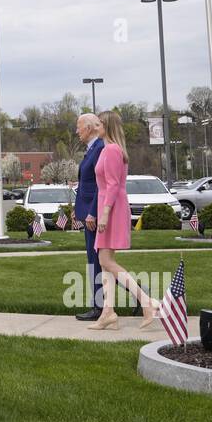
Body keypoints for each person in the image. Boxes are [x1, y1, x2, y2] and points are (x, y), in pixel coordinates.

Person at [90, 111, 159, 331]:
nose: (96, 127)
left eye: (99, 124)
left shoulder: (111, 150)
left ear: (108, 126)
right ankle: (107, 312)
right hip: (111, 205)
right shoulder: (111, 149)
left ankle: (146, 302)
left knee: (106, 261)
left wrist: (105, 214)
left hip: (111, 207)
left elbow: (112, 184)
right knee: (105, 261)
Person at [73, 113, 105, 321]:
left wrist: (92, 212)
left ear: (90, 128)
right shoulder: (92, 149)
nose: (77, 131)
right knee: (97, 261)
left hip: (94, 214)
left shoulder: (100, 148)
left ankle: (98, 307)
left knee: (98, 261)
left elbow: (100, 186)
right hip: (88, 213)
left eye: (79, 127)